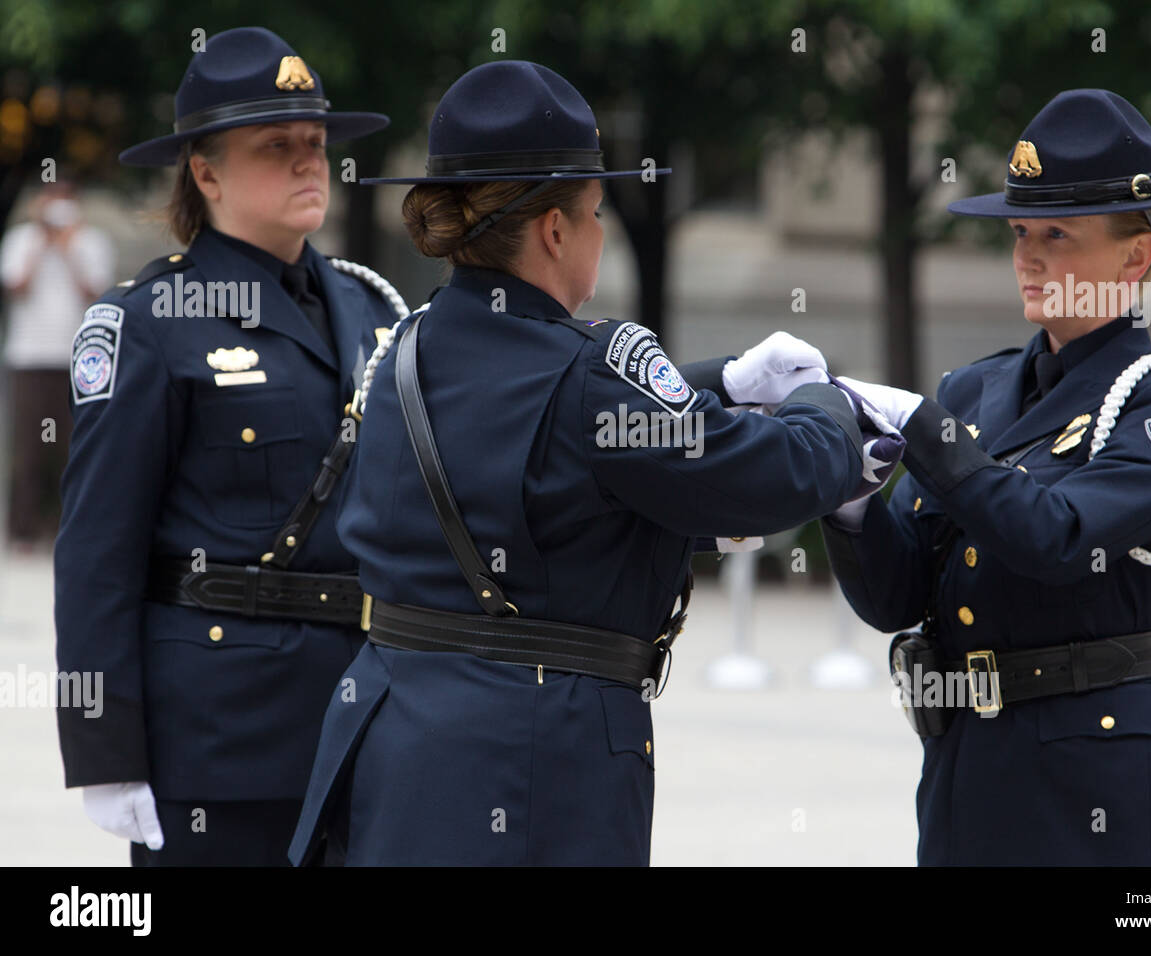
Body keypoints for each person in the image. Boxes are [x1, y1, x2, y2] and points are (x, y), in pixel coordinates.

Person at [288, 60, 905, 866]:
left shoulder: (406, 346)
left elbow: (547, 450)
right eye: (594, 213)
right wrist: (825, 403)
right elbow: (772, 476)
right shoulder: (594, 368)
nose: (599, 233)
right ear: (553, 230)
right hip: (531, 763)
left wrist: (715, 381)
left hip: (397, 750)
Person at [823, 89, 1151, 865]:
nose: (1028, 255)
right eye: (1020, 232)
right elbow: (896, 597)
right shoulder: (973, 393)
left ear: (1136, 254)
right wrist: (850, 495)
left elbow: (1059, 538)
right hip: (971, 773)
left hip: (1109, 785)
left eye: (1057, 233)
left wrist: (921, 431)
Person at [54, 27, 405, 866]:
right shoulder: (147, 324)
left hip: (363, 723)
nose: (307, 162)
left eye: (316, 143)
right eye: (275, 145)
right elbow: (98, 550)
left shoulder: (370, 309)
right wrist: (105, 750)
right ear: (205, 172)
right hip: (217, 741)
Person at [1, 181, 113, 548]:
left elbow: (97, 292)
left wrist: (68, 250)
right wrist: (40, 241)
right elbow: (16, 285)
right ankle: (24, 529)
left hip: (79, 358)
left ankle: (64, 524)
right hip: (30, 356)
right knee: (29, 445)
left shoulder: (91, 241)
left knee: (72, 444)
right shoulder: (21, 239)